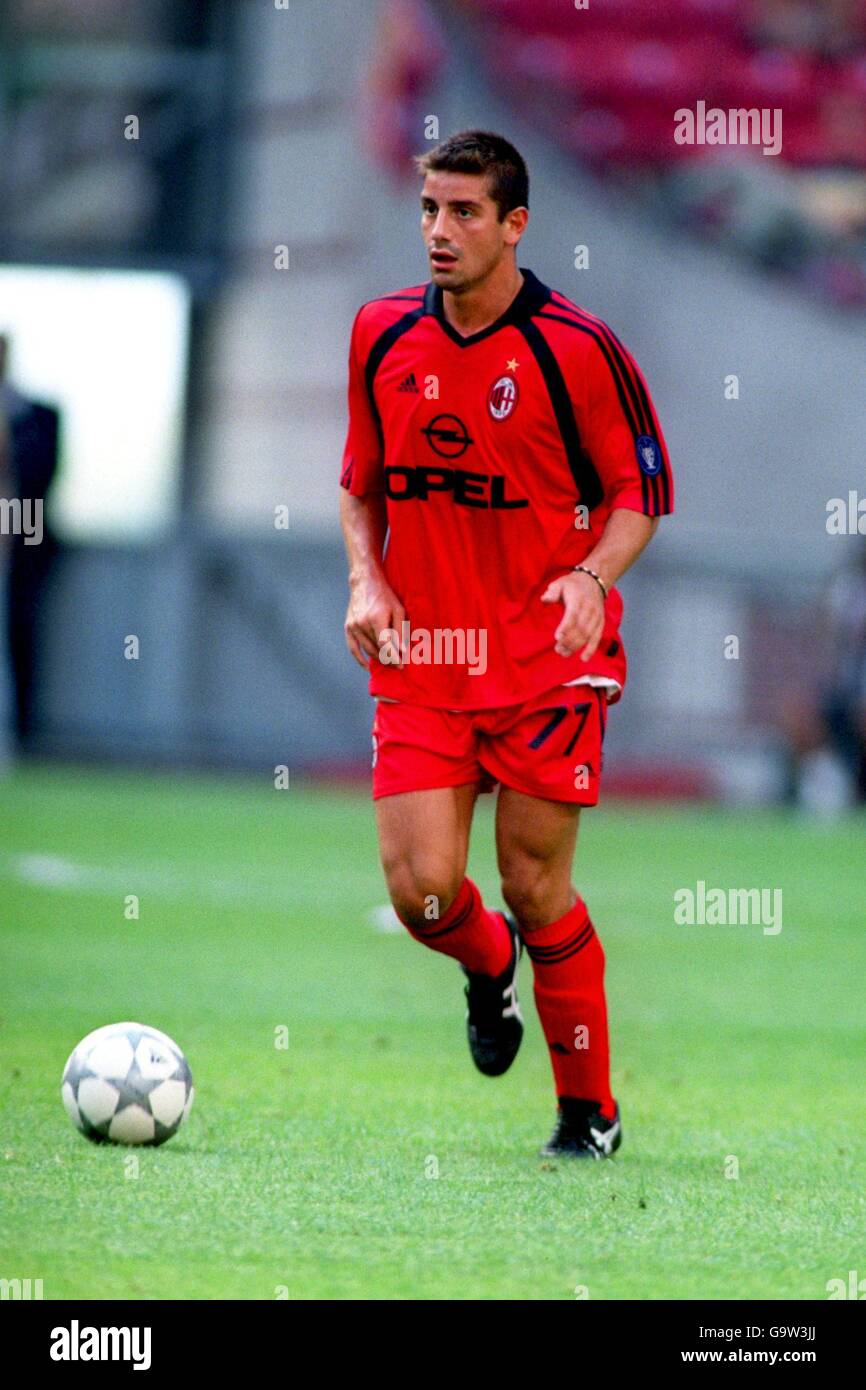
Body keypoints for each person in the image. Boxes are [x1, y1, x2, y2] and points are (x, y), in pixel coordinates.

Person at [339, 131, 674, 1159]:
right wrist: (366, 573)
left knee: (535, 889)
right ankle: (488, 972)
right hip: (424, 656)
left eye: (464, 213)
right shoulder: (379, 332)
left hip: (542, 658)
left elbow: (641, 494)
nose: (439, 231)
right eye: (430, 210)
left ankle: (587, 1113)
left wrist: (586, 577)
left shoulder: (576, 348)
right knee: (422, 891)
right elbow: (361, 482)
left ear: (514, 224)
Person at [0, 335, 60, 744]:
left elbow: (32, 487)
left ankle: (19, 733)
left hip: (22, 538)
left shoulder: (35, 415)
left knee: (19, 632)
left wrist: (16, 532)